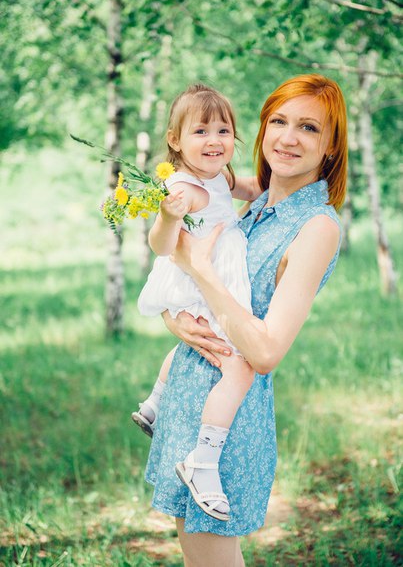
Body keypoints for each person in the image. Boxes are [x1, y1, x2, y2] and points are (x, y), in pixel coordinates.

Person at [144, 74, 348, 567]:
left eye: (308, 127)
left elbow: (266, 350)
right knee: (197, 556)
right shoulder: (256, 203)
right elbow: (189, 278)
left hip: (227, 424)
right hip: (190, 398)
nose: (288, 137)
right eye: (278, 121)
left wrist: (198, 268)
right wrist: (175, 319)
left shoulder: (315, 226)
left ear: (331, 145)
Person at [132, 84, 263, 520]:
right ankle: (202, 461)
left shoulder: (219, 177)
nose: (214, 140)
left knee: (196, 342)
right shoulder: (184, 189)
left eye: (223, 130)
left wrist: (288, 182)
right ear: (175, 140)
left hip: (210, 279)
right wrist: (168, 216)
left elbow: (250, 187)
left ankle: (154, 403)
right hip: (198, 282)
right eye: (201, 131)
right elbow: (161, 245)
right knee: (238, 366)